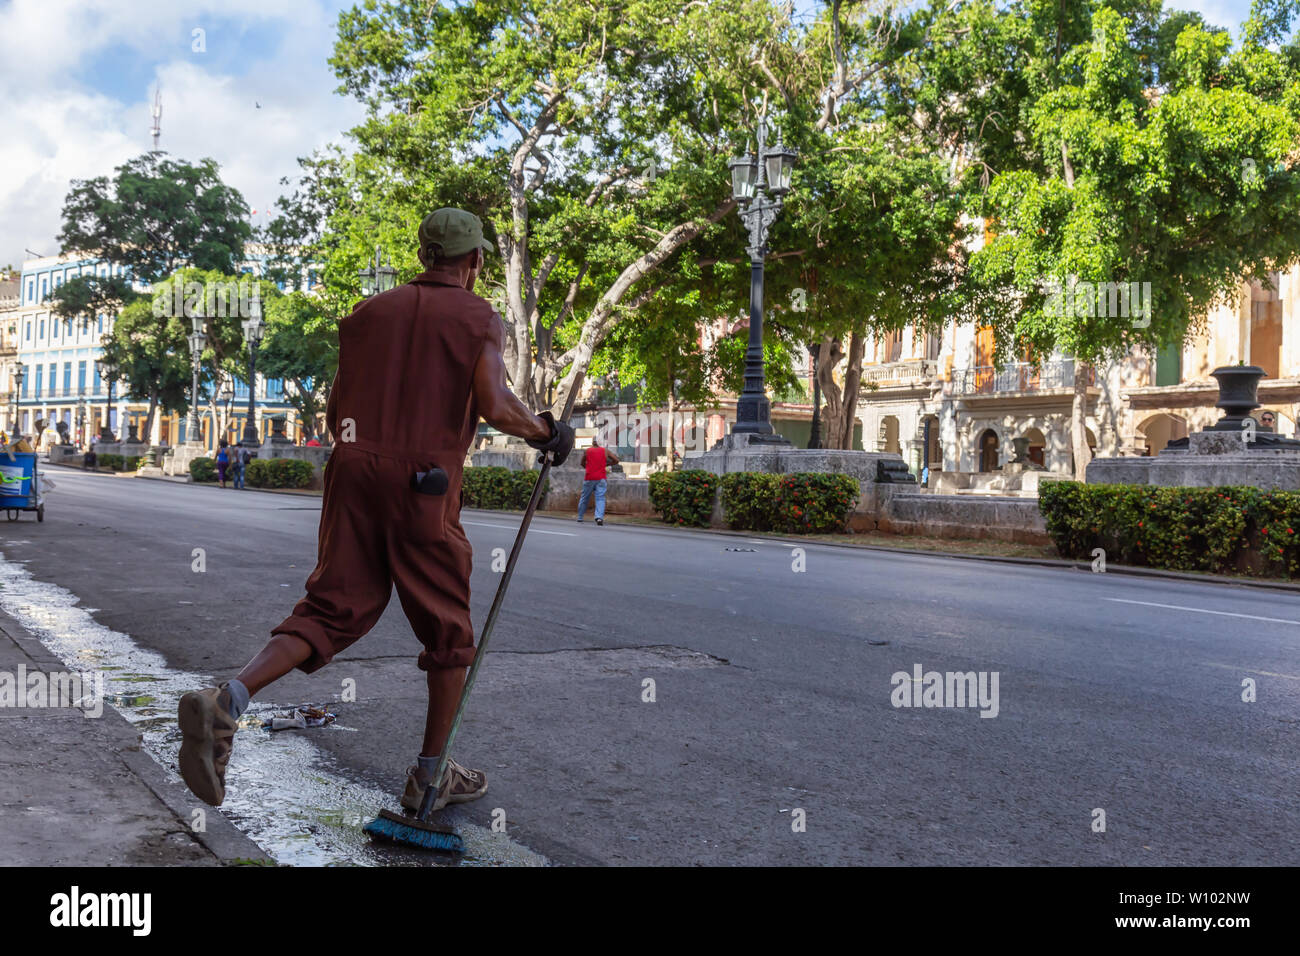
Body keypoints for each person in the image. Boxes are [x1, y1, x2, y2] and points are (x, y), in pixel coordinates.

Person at [175, 208, 574, 813]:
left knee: (332, 607)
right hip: (424, 483)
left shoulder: (367, 314)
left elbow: (338, 414)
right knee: (448, 630)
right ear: (475, 261)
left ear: (423, 256)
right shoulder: (478, 316)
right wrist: (544, 430)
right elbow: (494, 404)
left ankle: (229, 698)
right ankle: (430, 778)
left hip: (352, 471)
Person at [577, 436, 619, 526]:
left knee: (584, 497)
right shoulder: (605, 451)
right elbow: (616, 460)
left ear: (593, 442)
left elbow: (581, 463)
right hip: (601, 478)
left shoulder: (587, 451)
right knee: (600, 498)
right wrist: (608, 464)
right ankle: (599, 517)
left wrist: (587, 467)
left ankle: (580, 517)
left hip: (589, 478)